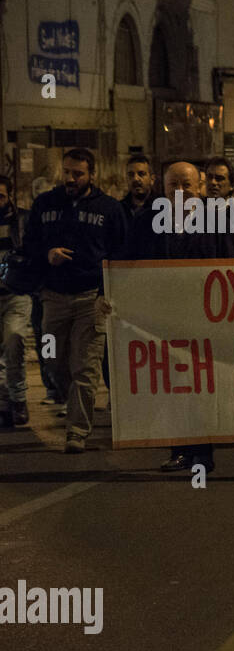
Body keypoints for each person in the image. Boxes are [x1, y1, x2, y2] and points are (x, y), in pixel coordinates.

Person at [121, 162, 225, 472]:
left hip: (207, 316)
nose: (180, 193)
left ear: (200, 187)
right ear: (163, 190)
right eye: (172, 188)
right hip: (163, 317)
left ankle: (203, 452)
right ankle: (179, 449)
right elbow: (127, 262)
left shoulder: (219, 219)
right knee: (173, 385)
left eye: (186, 186)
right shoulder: (146, 221)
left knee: (201, 385)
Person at [23, 148, 129, 453]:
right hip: (53, 299)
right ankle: (72, 407)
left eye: (78, 173)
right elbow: (28, 244)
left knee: (85, 366)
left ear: (91, 174)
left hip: (90, 299)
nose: (71, 178)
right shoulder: (45, 204)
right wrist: (47, 254)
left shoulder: (109, 209)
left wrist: (108, 294)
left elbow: (121, 252)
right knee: (53, 362)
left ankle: (77, 433)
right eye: (67, 172)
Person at [0, 175, 39, 429]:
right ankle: (6, 402)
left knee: (14, 340)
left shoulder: (23, 220)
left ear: (10, 195)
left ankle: (18, 399)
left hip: (15, 293)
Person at [119, 154, 155, 219]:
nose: (135, 179)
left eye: (141, 174)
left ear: (152, 179)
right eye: (131, 175)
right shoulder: (119, 208)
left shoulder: (162, 207)